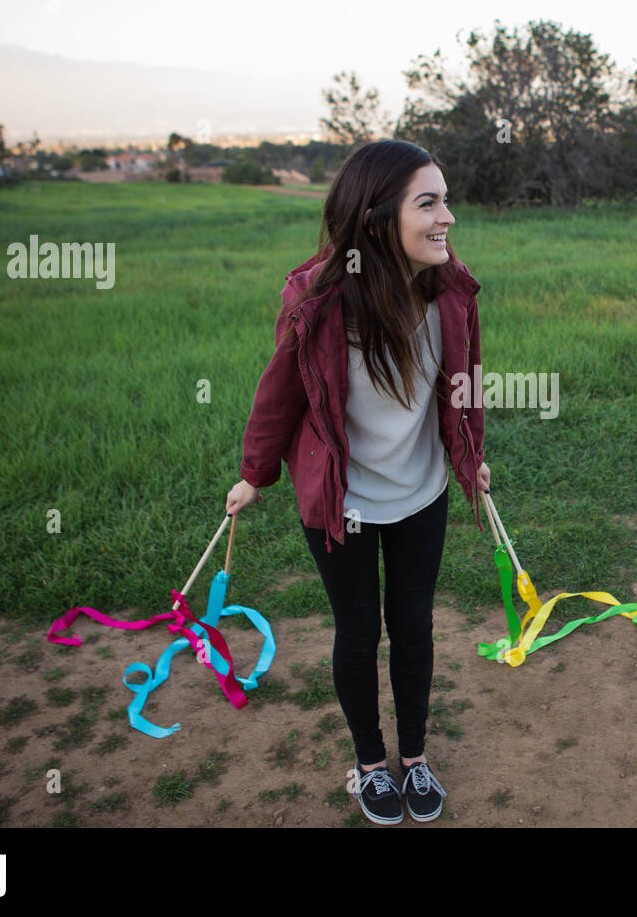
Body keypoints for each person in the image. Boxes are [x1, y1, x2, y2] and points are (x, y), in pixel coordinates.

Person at [226, 139, 489, 825]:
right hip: (340, 502)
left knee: (413, 626)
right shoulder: (317, 303)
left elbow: (465, 384)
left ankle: (415, 756)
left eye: (447, 200)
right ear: (376, 221)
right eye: (428, 203)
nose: (448, 218)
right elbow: (278, 393)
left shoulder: (450, 290)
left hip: (421, 492)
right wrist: (255, 474)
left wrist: (470, 454)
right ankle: (371, 764)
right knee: (358, 629)